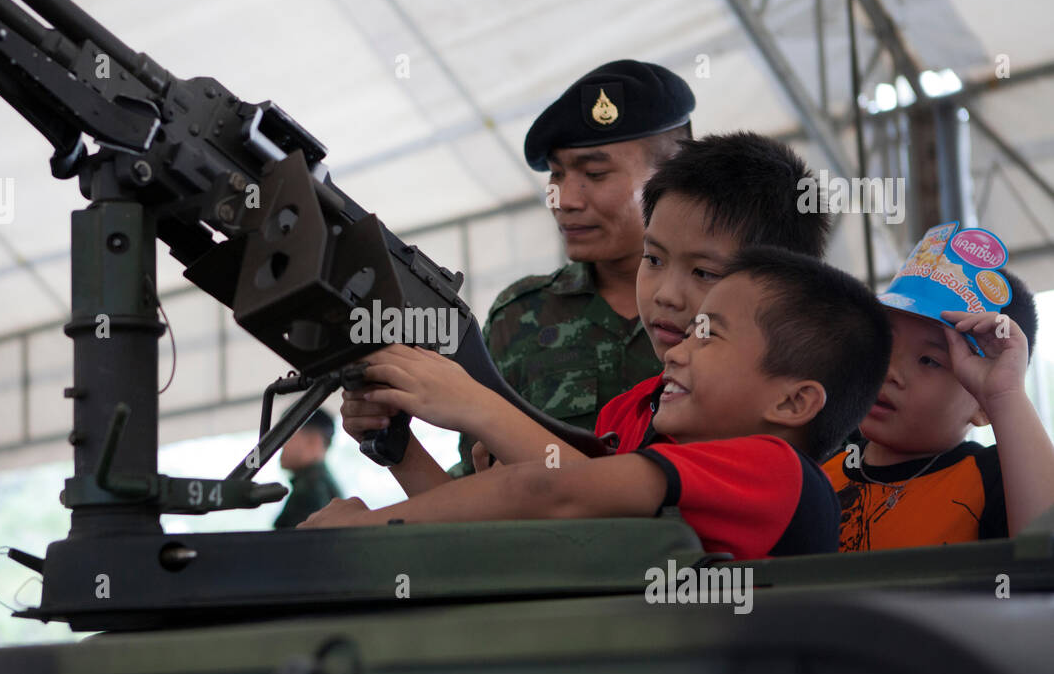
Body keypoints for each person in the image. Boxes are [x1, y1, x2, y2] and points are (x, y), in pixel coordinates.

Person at [301, 248, 892, 561]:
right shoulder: (658, 466)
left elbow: (551, 491)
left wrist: (369, 530)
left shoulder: (777, 471)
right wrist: (401, 450)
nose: (679, 352)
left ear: (794, 402)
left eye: (710, 334)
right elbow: (497, 550)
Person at [341, 132, 832, 496]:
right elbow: (503, 544)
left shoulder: (778, 448)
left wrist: (480, 408)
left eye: (704, 272)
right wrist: (398, 448)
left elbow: (587, 506)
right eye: (653, 259)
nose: (666, 295)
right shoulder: (634, 410)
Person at [446, 59, 696, 475]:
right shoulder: (520, 317)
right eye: (557, 175)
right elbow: (478, 482)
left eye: (595, 174)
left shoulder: (734, 305)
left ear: (673, 172)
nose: (564, 199)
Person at [823, 274, 1054, 548]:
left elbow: (1043, 549)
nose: (890, 371)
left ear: (983, 408)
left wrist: (1004, 395)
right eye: (885, 344)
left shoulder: (995, 481)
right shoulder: (820, 467)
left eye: (929, 361)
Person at [272, 409, 342, 530]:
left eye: (286, 436)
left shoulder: (311, 488)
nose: (280, 445)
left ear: (313, 441)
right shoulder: (321, 485)